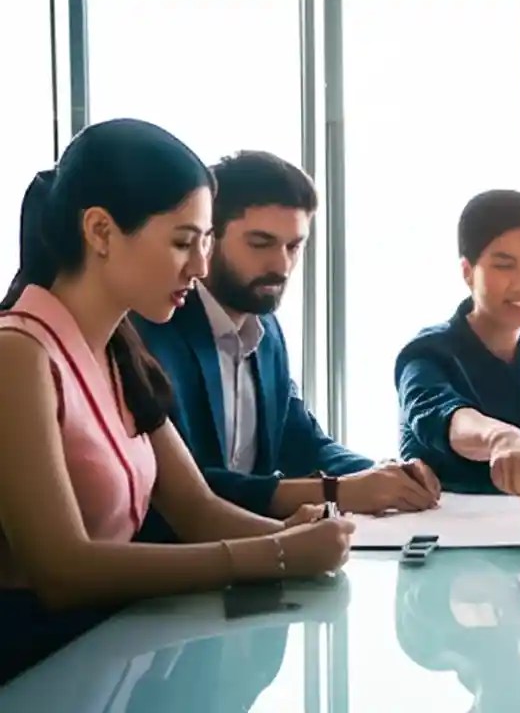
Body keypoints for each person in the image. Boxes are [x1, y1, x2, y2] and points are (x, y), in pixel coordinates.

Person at [0, 119, 354, 683]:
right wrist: (275, 554)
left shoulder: (120, 351)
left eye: (205, 242)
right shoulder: (17, 354)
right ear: (100, 231)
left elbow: (196, 508)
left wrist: (293, 536)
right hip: (35, 671)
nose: (201, 267)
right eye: (182, 242)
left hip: (109, 660)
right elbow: (62, 569)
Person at [133, 151, 439, 542]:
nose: (281, 267)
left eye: (294, 247)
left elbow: (301, 441)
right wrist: (338, 491)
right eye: (260, 244)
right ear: (208, 239)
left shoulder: (266, 332)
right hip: (174, 560)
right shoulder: (153, 330)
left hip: (255, 554)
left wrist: (385, 475)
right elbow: (181, 488)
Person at [395, 190, 520, 516]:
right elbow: (448, 418)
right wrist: (500, 438)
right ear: (467, 271)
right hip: (446, 533)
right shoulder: (426, 353)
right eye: (504, 266)